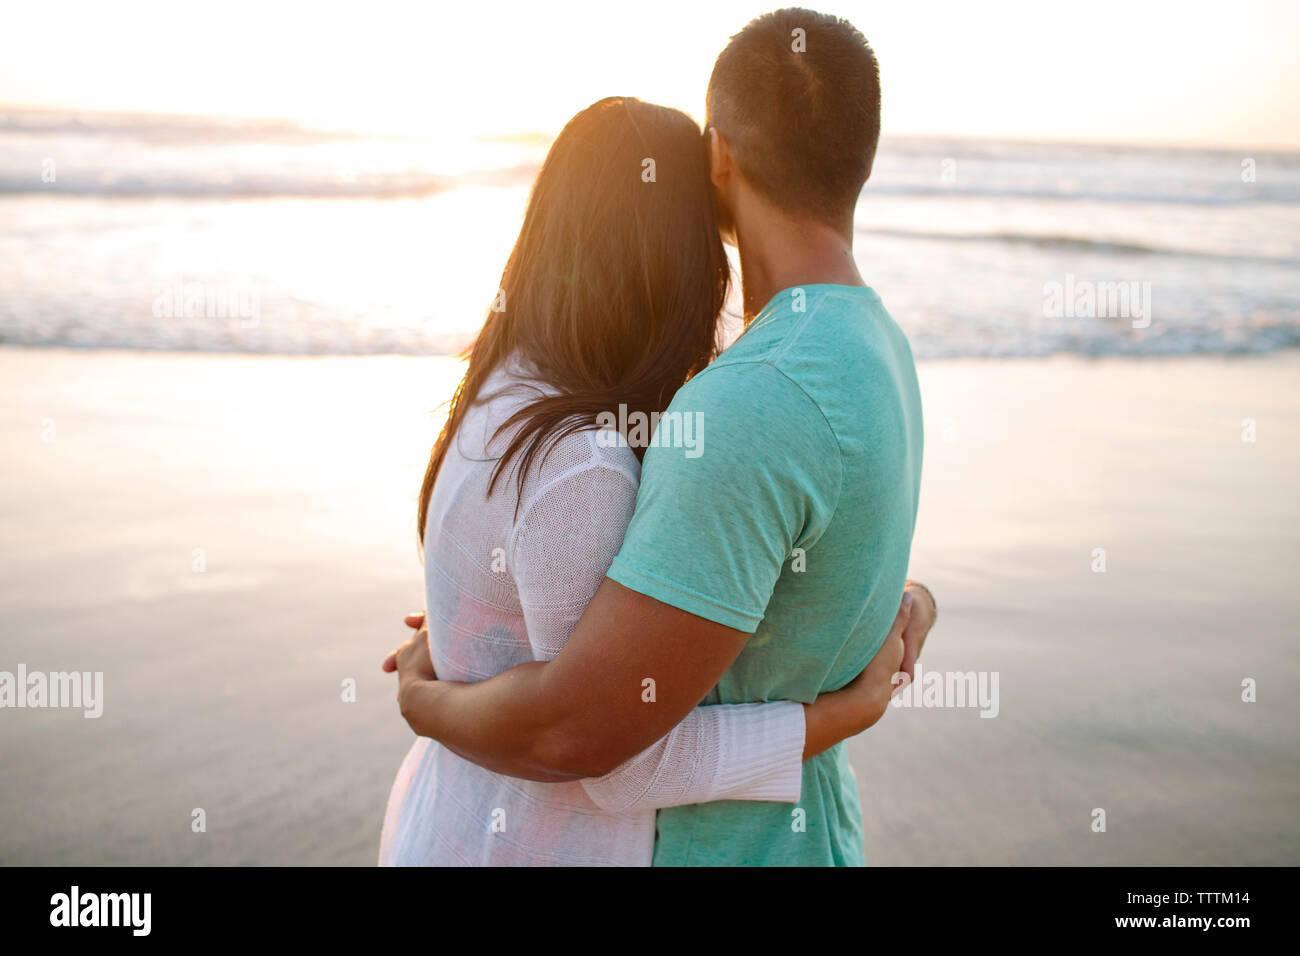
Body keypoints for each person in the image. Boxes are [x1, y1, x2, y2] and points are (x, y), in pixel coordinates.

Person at [390, 8, 932, 867]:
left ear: (720, 153)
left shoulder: (753, 400)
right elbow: (821, 562)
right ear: (860, 159)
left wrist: (428, 697)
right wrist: (903, 612)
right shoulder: (873, 346)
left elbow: (580, 733)